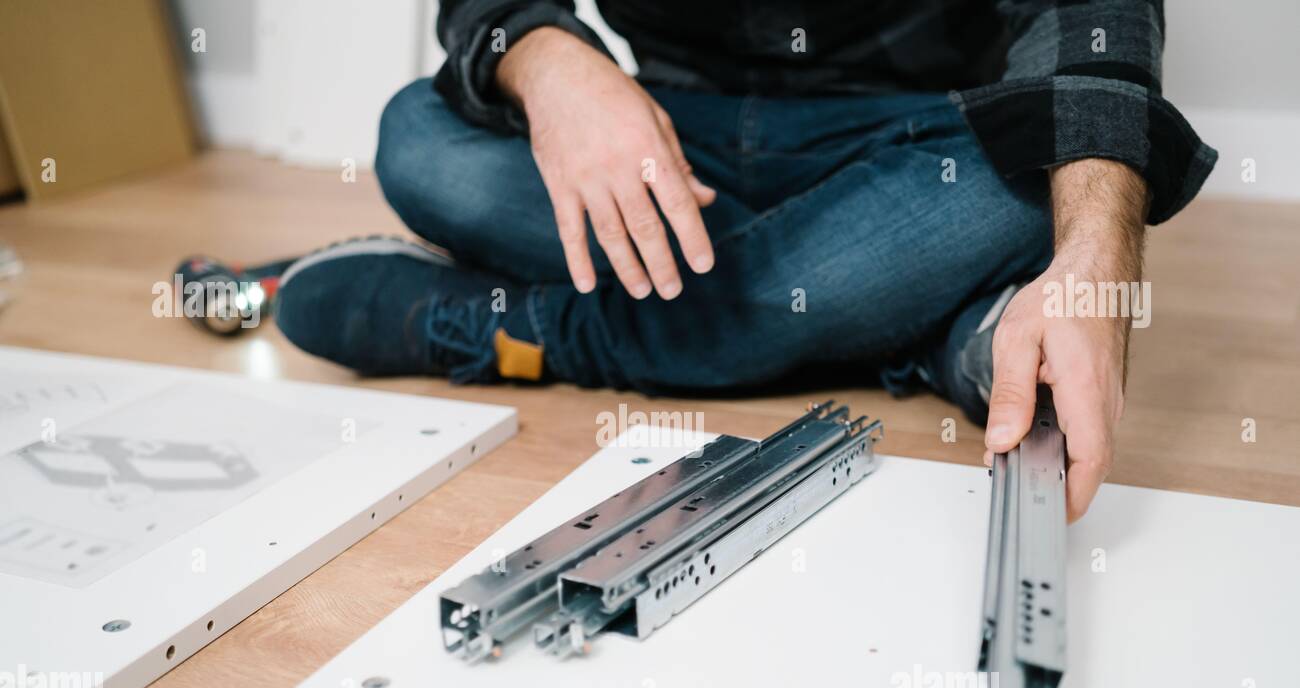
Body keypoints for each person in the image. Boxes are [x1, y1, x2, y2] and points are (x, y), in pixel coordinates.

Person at [203, 1, 1216, 522]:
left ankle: (536, 330)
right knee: (420, 138)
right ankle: (901, 322)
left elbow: (1088, 14)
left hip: (915, 135)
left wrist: (1090, 262)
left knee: (1039, 184)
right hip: (667, 134)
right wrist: (551, 64)